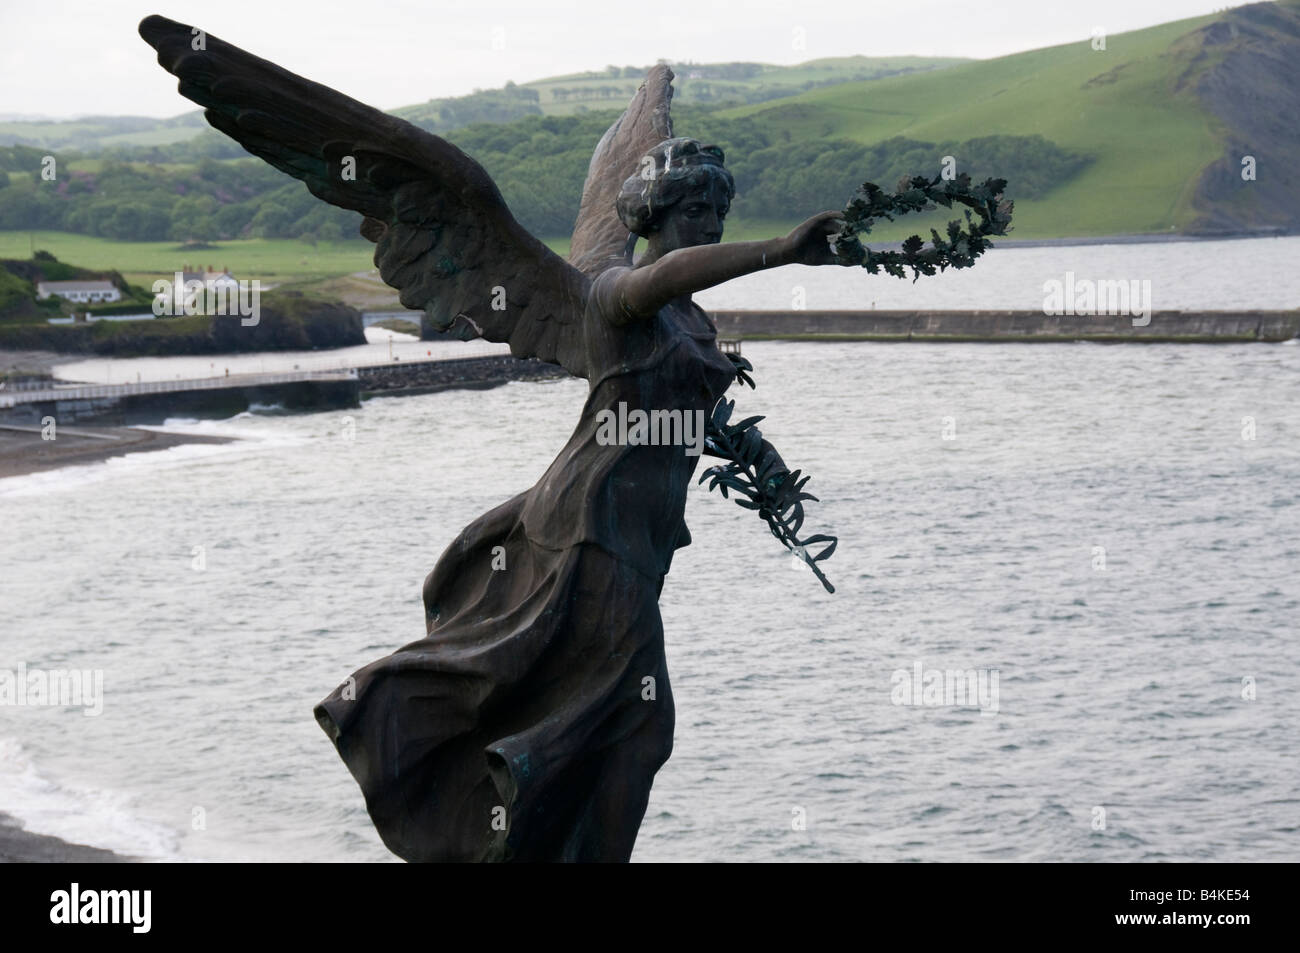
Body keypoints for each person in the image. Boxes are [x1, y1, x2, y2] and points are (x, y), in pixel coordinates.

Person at [313, 138, 847, 862]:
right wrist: (781, 250)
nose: (712, 226)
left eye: (721, 210)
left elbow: (684, 410)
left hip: (638, 539)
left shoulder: (687, 320)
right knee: (632, 722)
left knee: (607, 716)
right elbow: (668, 280)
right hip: (595, 527)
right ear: (654, 215)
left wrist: (761, 460)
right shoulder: (617, 294)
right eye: (695, 209)